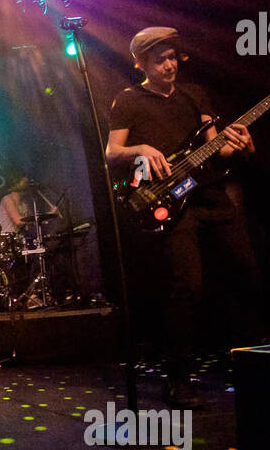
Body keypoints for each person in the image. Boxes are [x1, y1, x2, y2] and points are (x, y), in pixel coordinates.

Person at [104, 27, 259, 404]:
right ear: (141, 63)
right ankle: (178, 379)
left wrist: (240, 145)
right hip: (173, 202)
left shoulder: (194, 95)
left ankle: (256, 363)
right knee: (187, 287)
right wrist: (141, 147)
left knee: (247, 275)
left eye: (174, 57)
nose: (171, 65)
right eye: (161, 60)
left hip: (211, 196)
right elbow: (111, 153)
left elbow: (214, 149)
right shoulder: (129, 100)